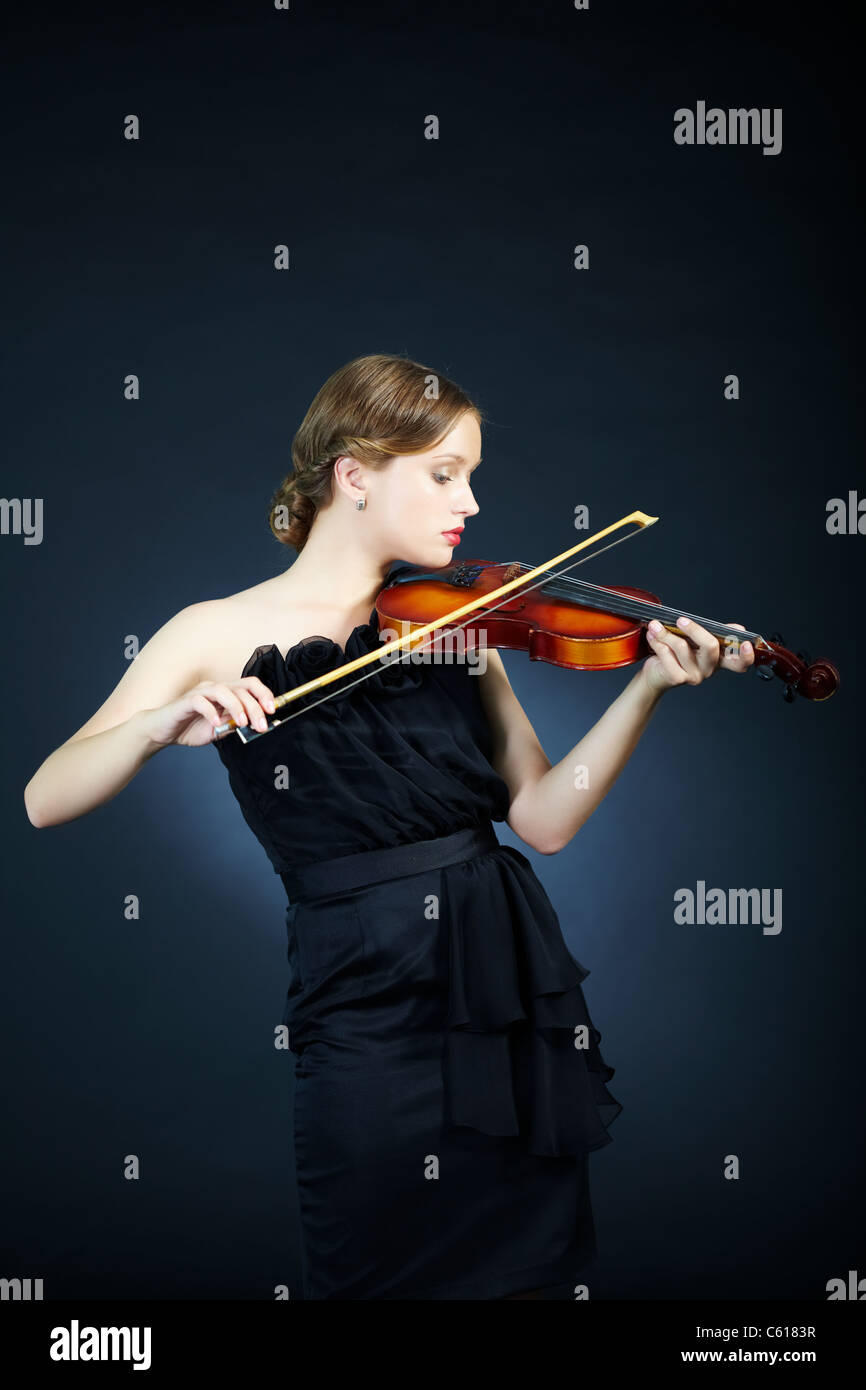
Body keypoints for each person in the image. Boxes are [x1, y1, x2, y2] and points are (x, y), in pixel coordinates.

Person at [24, 352, 755, 1300]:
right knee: (371, 1271)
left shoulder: (457, 625)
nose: (471, 503)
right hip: (361, 1000)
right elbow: (45, 795)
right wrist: (158, 726)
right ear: (355, 474)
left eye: (472, 476)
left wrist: (648, 684)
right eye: (445, 475)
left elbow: (544, 819)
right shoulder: (210, 631)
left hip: (500, 987)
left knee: (527, 1275)